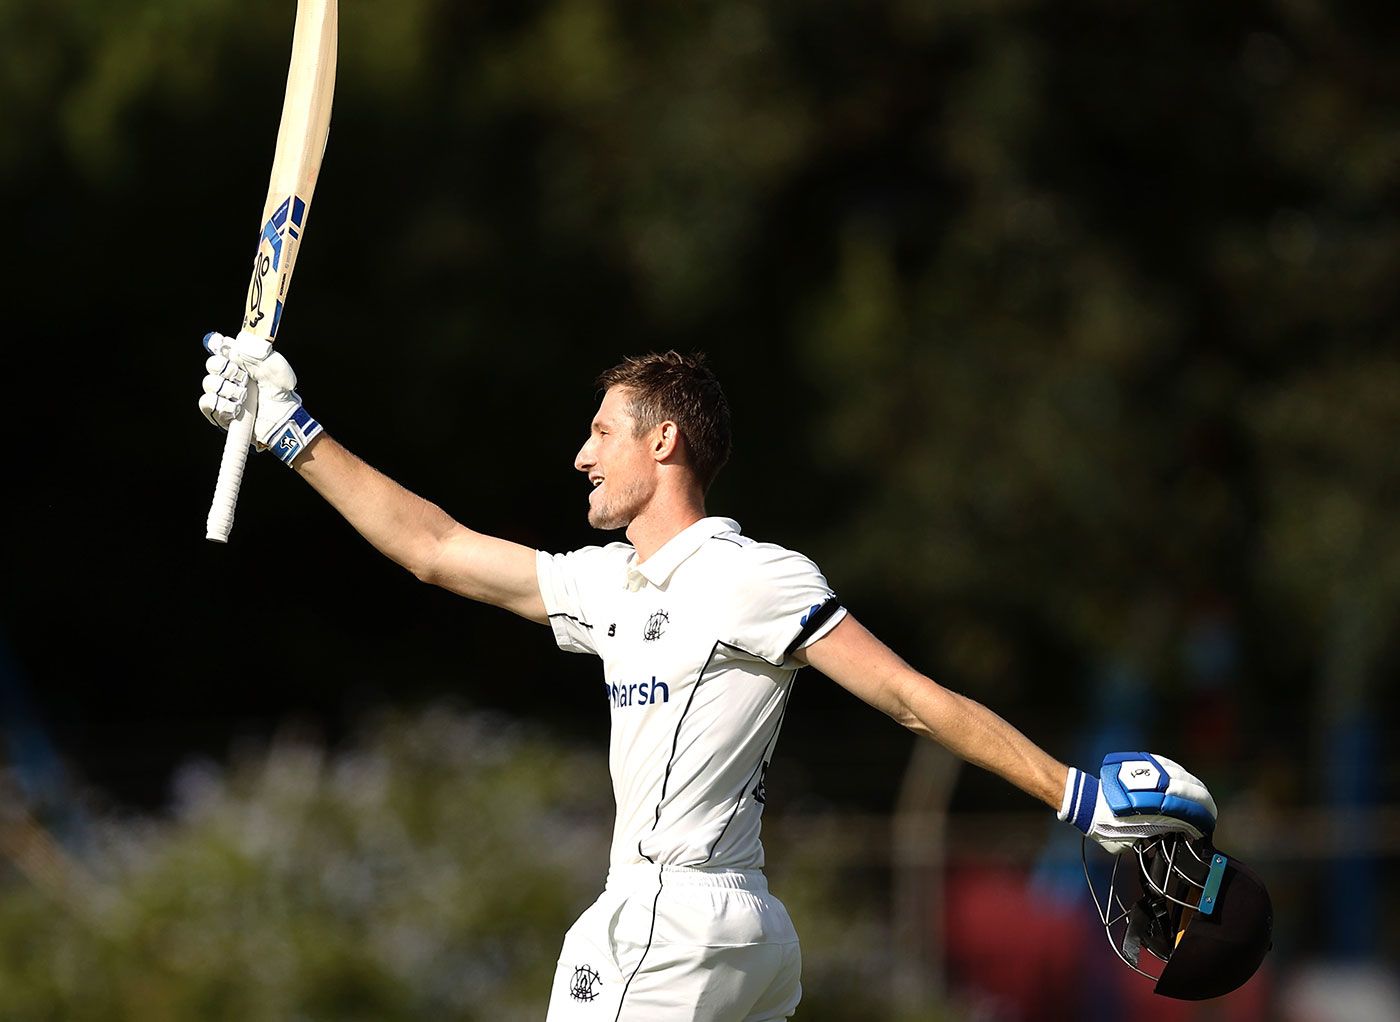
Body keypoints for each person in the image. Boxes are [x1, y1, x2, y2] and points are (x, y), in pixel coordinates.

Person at [198, 334, 1218, 1021]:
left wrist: (1075, 794)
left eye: (602, 431)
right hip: (748, 938)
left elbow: (910, 695)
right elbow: (435, 548)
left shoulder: (754, 577)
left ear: (663, 440)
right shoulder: (608, 584)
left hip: (668, 920)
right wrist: (293, 431)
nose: (580, 455)